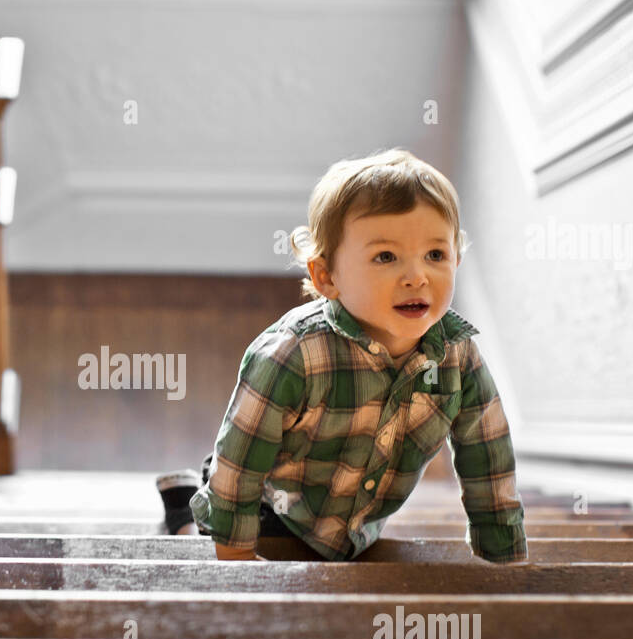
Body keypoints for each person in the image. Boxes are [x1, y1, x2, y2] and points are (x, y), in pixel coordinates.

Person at [157, 148, 528, 564]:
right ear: (326, 277)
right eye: (386, 257)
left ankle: (185, 503)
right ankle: (184, 511)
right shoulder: (295, 353)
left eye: (435, 255)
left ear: (457, 259)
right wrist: (237, 555)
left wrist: (502, 555)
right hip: (269, 511)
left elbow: (488, 456)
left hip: (353, 530)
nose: (417, 276)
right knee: (198, 549)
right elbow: (241, 461)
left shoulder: (460, 358)